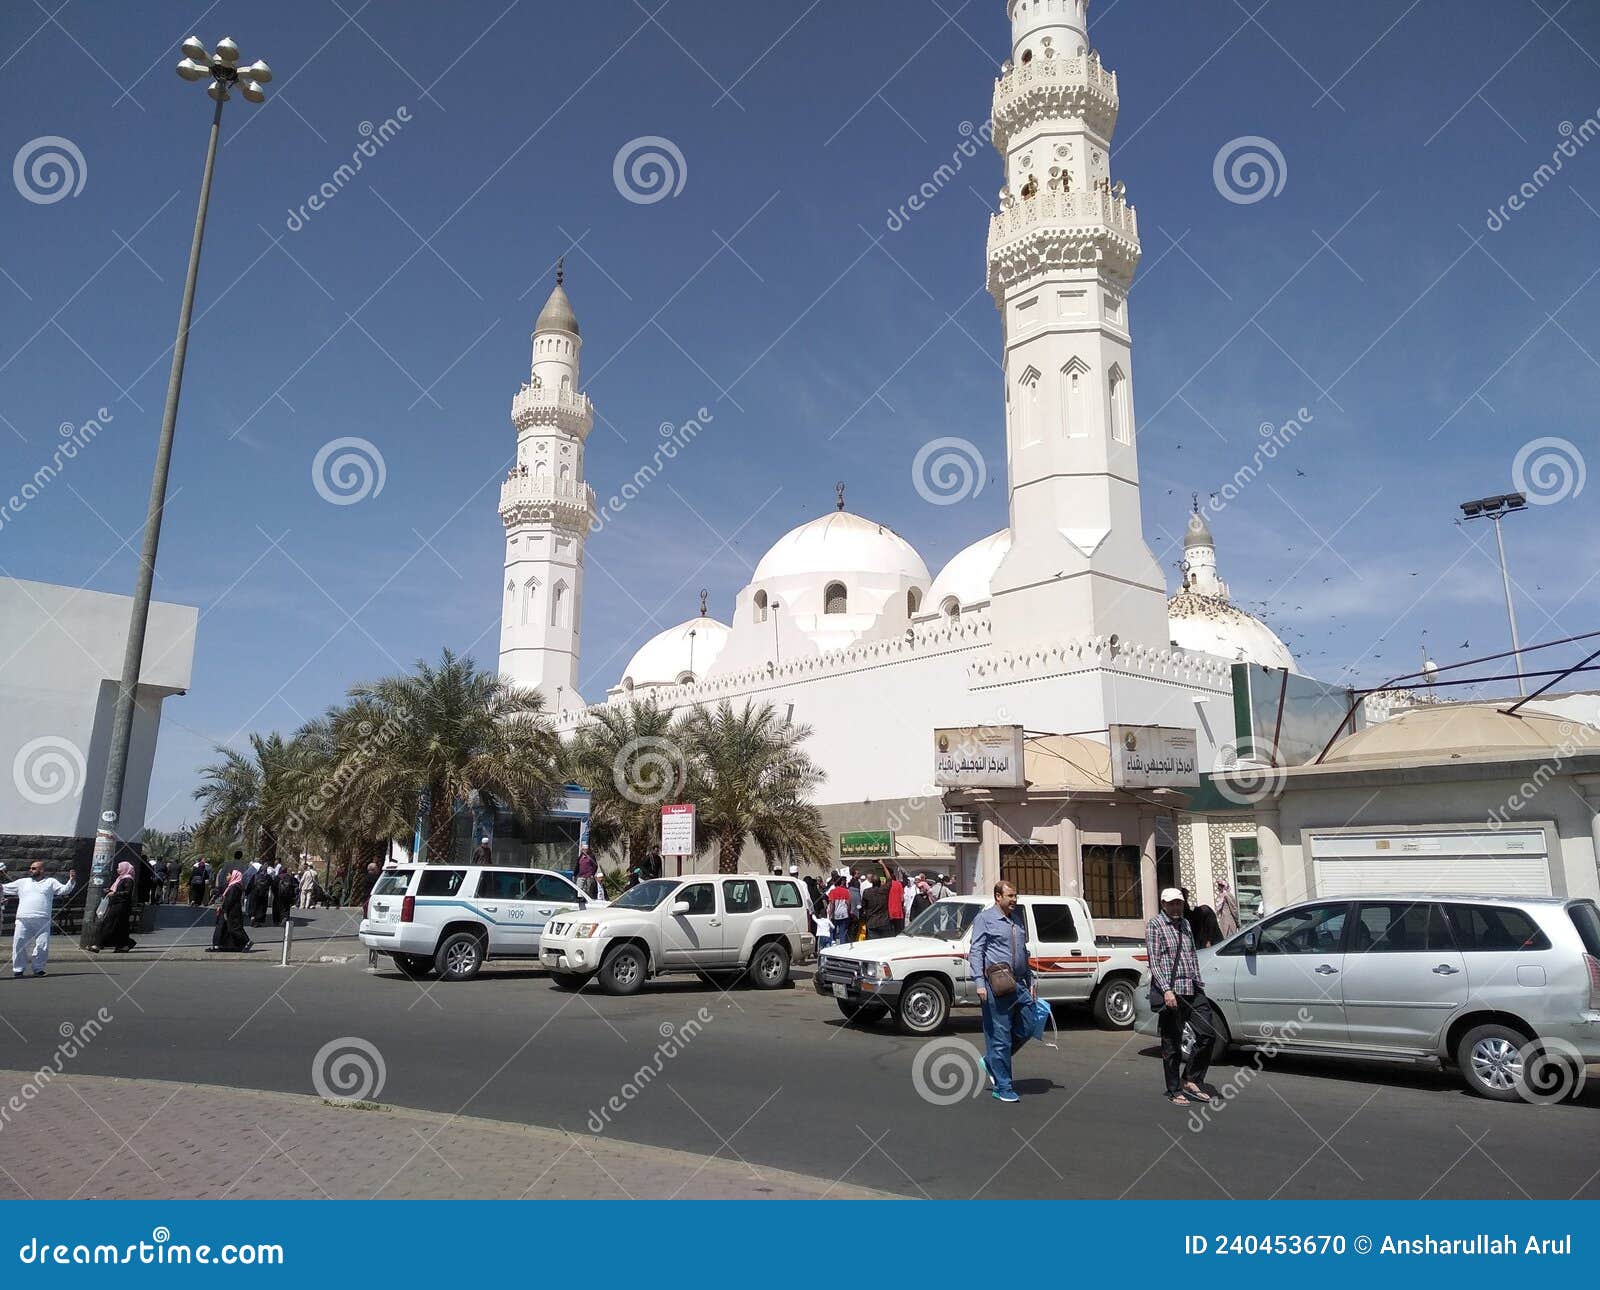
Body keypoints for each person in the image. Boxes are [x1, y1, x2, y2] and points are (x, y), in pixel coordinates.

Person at [1146, 887, 1216, 1107]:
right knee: (1172, 1044)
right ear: (1163, 904)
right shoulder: (1155, 925)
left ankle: (1191, 1079)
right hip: (1172, 991)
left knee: (1207, 1034)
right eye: (1171, 903)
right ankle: (1174, 1089)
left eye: (1179, 903)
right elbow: (1154, 962)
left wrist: (1198, 982)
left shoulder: (1185, 924)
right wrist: (1166, 990)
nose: (1176, 907)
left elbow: (1190, 956)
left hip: (1193, 988)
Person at [968, 881, 1035, 1103]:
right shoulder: (985, 919)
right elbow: (976, 951)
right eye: (1010, 896)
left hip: (1019, 984)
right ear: (998, 897)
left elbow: (1023, 951)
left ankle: (993, 1061)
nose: (1015, 899)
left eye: (1016, 896)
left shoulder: (1016, 919)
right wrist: (979, 982)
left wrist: (1030, 979)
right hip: (996, 984)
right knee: (1000, 1036)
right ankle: (1003, 1086)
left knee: (1029, 1025)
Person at [4, 861, 75, 977]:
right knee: (19, 944)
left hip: (43, 918)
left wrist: (71, 880)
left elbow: (64, 890)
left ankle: (38, 968)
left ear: (41, 870)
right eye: (30, 868)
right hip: (23, 918)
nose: (30, 870)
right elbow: (3, 889)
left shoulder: (50, 882)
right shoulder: (22, 882)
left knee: (42, 945)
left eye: (34, 868)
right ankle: (18, 969)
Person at [89, 860, 138, 954]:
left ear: (125, 868)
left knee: (108, 924)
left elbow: (127, 893)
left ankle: (98, 945)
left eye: (119, 867)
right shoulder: (120, 878)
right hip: (116, 904)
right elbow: (117, 890)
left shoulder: (128, 879)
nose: (117, 869)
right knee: (119, 927)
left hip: (121, 906)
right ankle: (125, 945)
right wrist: (109, 891)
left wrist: (114, 893)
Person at [208, 869, 252, 952]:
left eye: (228, 875)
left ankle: (247, 941)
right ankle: (225, 945)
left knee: (234, 928)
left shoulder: (234, 887)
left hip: (233, 911)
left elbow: (230, 900)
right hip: (231, 910)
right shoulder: (232, 885)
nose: (227, 877)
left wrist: (223, 908)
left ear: (234, 876)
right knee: (229, 928)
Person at [861, 874, 893, 939]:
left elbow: (863, 906)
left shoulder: (867, 892)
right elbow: (889, 879)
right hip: (883, 921)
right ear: (880, 882)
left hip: (872, 921)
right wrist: (883, 865)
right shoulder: (884, 890)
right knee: (885, 943)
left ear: (871, 882)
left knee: (873, 944)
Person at [825, 874, 852, 946]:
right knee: (842, 932)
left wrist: (830, 914)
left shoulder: (832, 892)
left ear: (834, 882)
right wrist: (848, 912)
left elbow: (832, 904)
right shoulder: (846, 891)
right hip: (844, 914)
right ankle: (842, 946)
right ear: (841, 882)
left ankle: (832, 944)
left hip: (835, 914)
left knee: (832, 931)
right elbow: (848, 903)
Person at [881, 862, 906, 935]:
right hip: (898, 913)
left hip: (887, 913)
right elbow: (902, 899)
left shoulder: (884, 885)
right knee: (898, 934)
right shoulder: (898, 884)